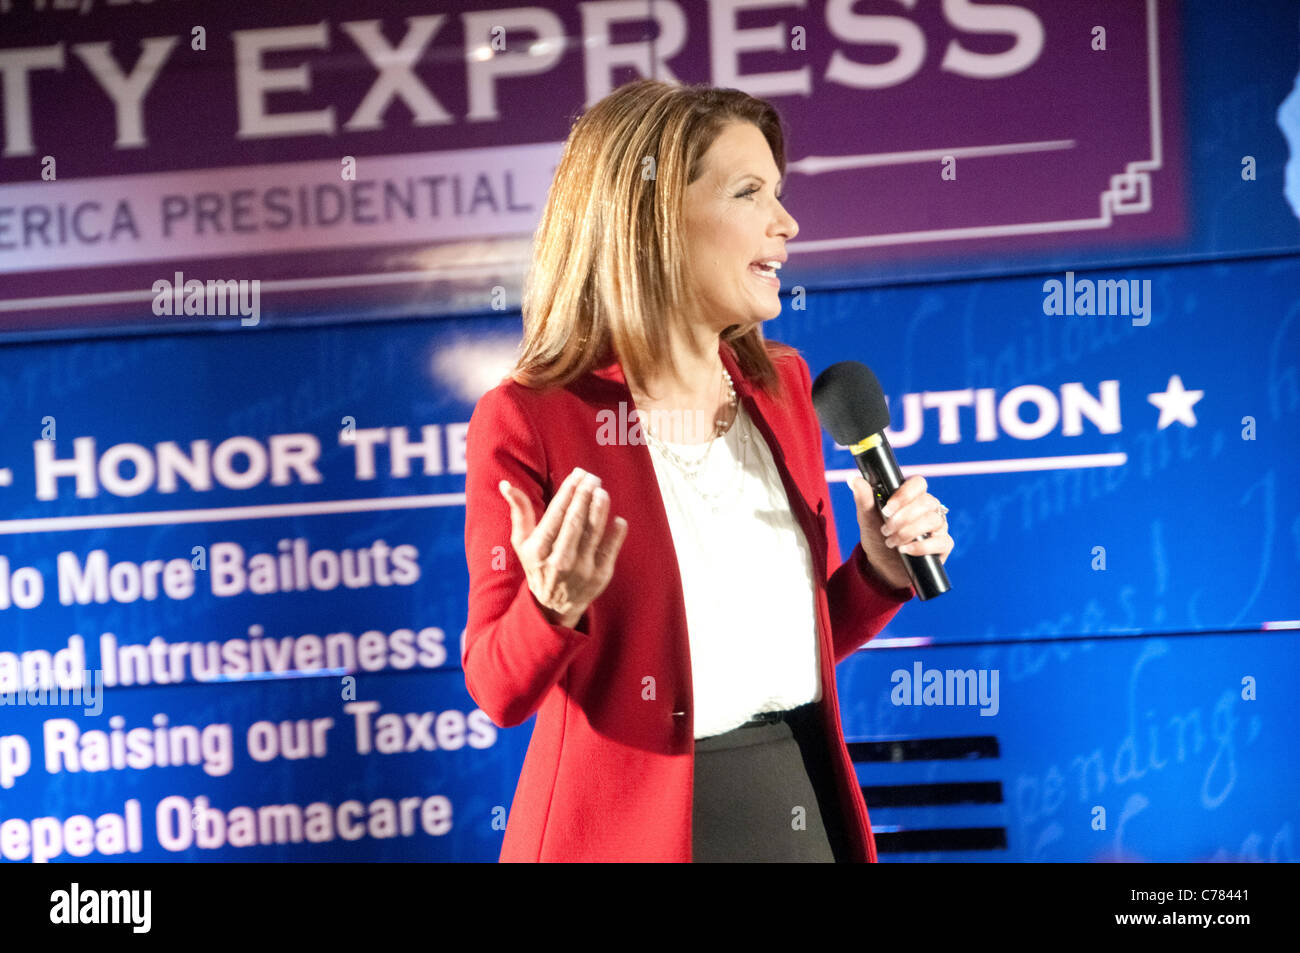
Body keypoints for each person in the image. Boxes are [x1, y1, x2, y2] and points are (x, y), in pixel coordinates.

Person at [462, 78, 954, 862]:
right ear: (652, 221)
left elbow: (788, 644)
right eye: (750, 192)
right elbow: (497, 686)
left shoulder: (783, 385)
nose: (787, 223)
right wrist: (551, 606)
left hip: (800, 805)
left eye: (780, 193)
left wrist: (879, 573)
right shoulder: (533, 418)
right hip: (628, 836)